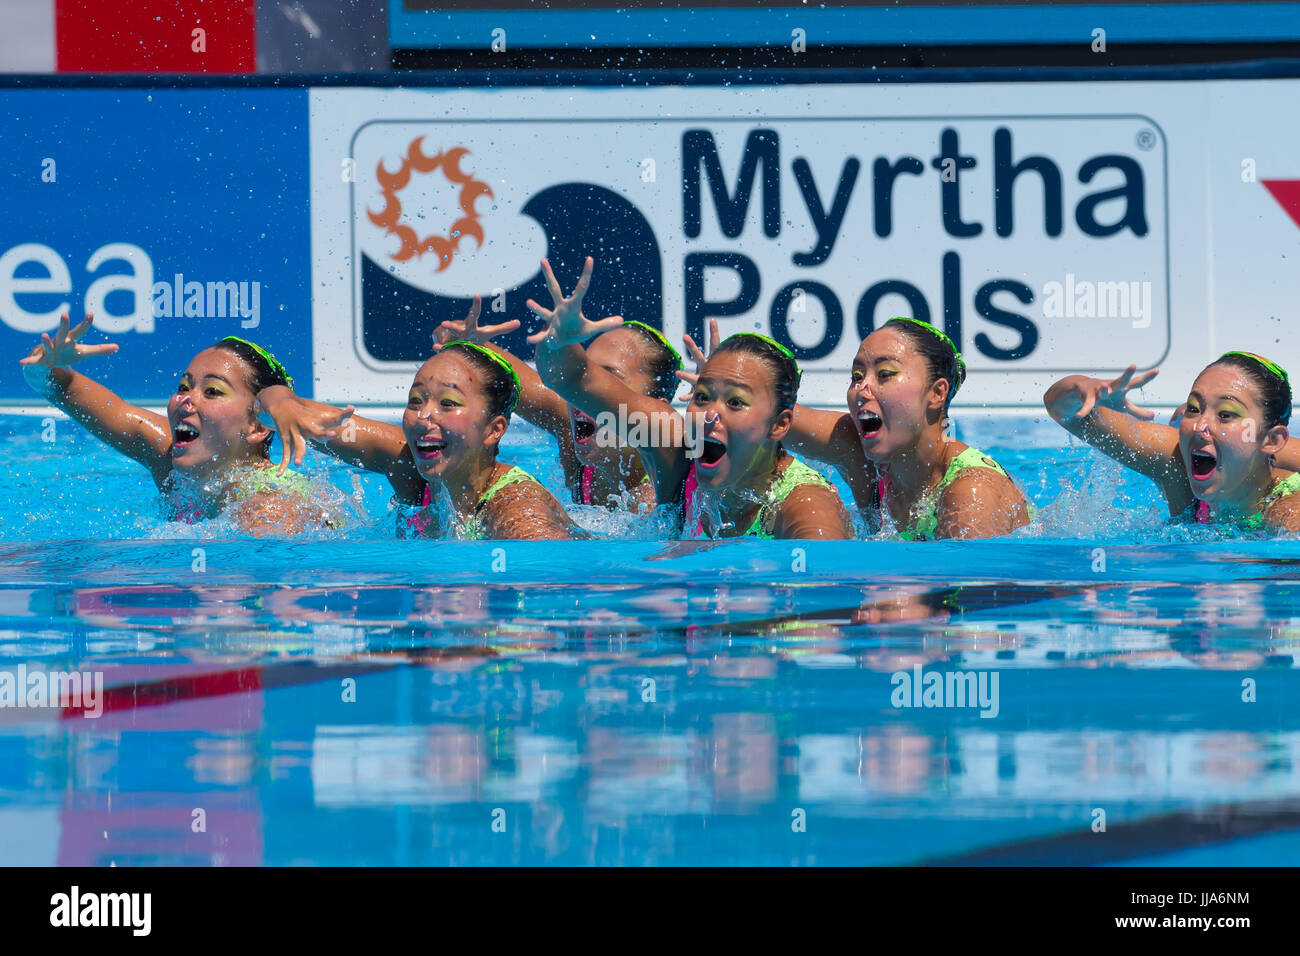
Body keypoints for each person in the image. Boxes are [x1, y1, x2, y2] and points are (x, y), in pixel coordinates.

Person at [529, 257, 853, 540]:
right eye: (702, 397)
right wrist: (558, 342)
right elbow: (573, 379)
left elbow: (829, 594)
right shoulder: (678, 452)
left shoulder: (805, 506)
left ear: (779, 425)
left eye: (735, 402)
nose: (710, 414)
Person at [681, 317, 1032, 540]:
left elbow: (966, 600)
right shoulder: (864, 453)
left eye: (885, 374)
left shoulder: (971, 493)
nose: (861, 389)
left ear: (937, 392)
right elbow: (766, 417)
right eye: (856, 376)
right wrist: (725, 389)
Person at [20, 313, 335, 535]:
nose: (185, 400)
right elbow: (56, 385)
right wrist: (45, 362)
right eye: (185, 386)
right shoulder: (169, 456)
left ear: (255, 428)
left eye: (212, 391)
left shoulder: (269, 505)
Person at [257, 338, 574, 540]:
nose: (424, 418)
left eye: (448, 404)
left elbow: (551, 592)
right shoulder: (408, 462)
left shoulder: (517, 508)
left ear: (494, 430)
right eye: (416, 400)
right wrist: (281, 404)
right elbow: (270, 409)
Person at [430, 296, 681, 513]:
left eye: (608, 380)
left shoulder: (673, 470)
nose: (582, 394)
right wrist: (465, 340)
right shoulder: (568, 427)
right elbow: (451, 338)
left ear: (656, 409)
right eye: (586, 375)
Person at [1044, 352, 1300, 532]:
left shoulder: (1286, 509)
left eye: (1226, 414)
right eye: (1194, 408)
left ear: (1272, 440)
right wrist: (1084, 388)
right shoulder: (1176, 459)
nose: (1200, 427)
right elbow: (1062, 410)